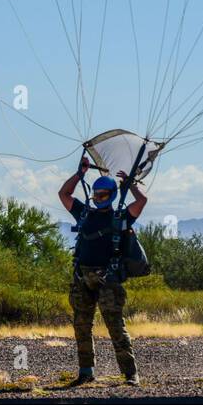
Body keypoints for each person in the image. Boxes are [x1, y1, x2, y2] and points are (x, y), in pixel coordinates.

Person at [58, 155, 148, 386]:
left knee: (116, 327)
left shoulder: (120, 217)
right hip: (82, 276)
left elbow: (142, 202)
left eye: (103, 195)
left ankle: (130, 375)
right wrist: (80, 175)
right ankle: (86, 372)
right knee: (81, 325)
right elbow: (64, 194)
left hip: (107, 278)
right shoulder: (84, 213)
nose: (98, 198)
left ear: (111, 196)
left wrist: (131, 185)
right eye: (96, 194)